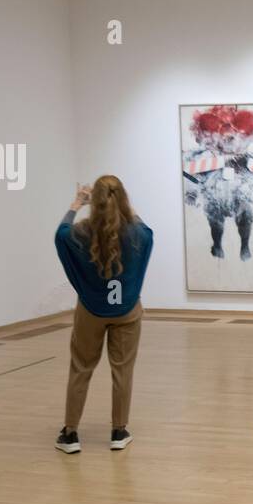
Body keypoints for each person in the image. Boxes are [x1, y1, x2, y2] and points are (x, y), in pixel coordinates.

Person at [53, 175, 153, 453]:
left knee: (81, 369)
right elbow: (147, 232)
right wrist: (126, 209)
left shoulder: (78, 233)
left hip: (90, 311)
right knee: (122, 371)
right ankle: (119, 431)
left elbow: (60, 234)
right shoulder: (138, 234)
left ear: (93, 202)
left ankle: (70, 434)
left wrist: (76, 204)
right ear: (122, 199)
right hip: (128, 311)